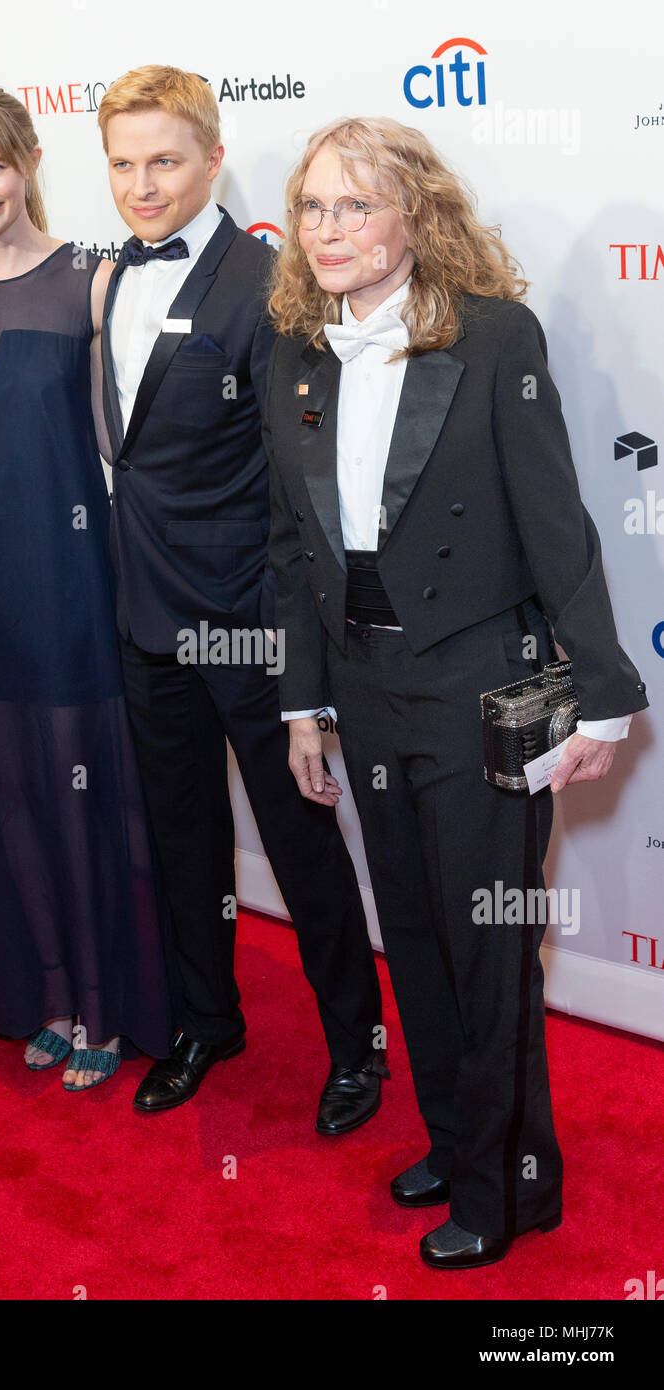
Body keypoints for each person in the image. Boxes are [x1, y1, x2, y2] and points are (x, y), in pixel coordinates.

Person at [264, 116, 648, 1267]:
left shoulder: (489, 339)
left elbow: (554, 522)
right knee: (418, 941)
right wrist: (298, 703)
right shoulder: (292, 350)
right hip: (367, 689)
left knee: (489, 951)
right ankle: (455, 1142)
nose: (329, 229)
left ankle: (513, 1184)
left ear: (412, 219)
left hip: (484, 688)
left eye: (356, 205)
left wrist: (602, 694)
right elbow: (290, 546)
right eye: (314, 207)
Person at [95, 66, 387, 1129]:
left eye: (163, 160)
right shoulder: (110, 276)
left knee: (302, 846)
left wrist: (288, 644)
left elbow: (295, 485)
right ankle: (205, 1018)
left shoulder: (269, 280)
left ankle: (356, 1043)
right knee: (179, 836)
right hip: (143, 618)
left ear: (214, 158)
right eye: (122, 163)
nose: (140, 184)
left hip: (252, 626)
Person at [0, 83, 176, 1093]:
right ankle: (53, 991)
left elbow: (115, 443)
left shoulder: (86, 282)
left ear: (27, 164)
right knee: (12, 793)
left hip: (64, 576)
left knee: (80, 790)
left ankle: (106, 1005)